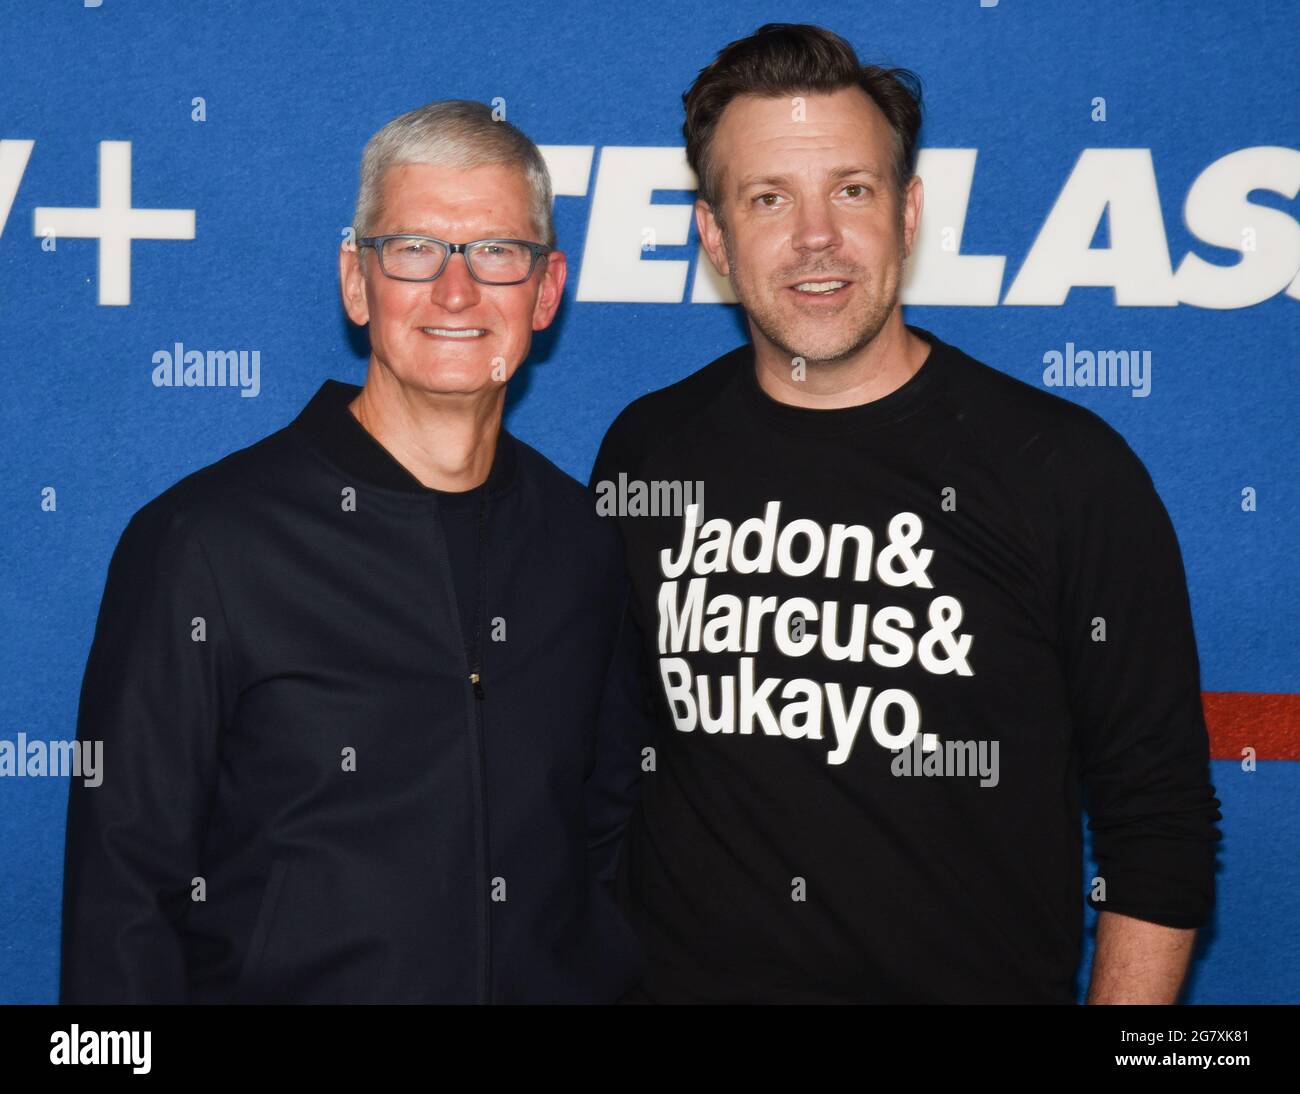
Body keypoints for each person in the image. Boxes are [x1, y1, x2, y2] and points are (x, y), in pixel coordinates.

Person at [590, 23, 1221, 1004]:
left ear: (908, 209)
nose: (815, 237)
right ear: (713, 235)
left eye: (852, 189)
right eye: (767, 198)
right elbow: (600, 770)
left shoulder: (1063, 469)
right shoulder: (647, 451)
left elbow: (1161, 819)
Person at [61, 99, 647, 1004]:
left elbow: (604, 847)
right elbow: (120, 907)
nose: (456, 293)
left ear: (546, 289)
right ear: (356, 280)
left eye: (496, 252)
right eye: (415, 249)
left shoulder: (582, 544)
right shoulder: (204, 543)